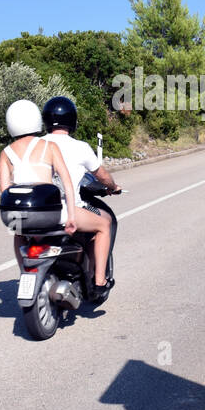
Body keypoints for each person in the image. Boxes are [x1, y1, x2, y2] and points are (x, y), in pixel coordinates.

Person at [42, 95, 121, 296]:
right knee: (105, 223)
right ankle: (99, 282)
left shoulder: (36, 145)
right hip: (69, 209)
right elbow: (102, 176)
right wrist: (112, 186)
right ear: (72, 120)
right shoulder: (80, 147)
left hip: (40, 210)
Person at [0, 100, 77, 280]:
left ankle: (24, 273)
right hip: (47, 214)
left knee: (19, 234)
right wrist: (71, 216)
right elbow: (67, 182)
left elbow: (5, 191)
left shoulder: (5, 153)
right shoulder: (49, 146)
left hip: (16, 216)